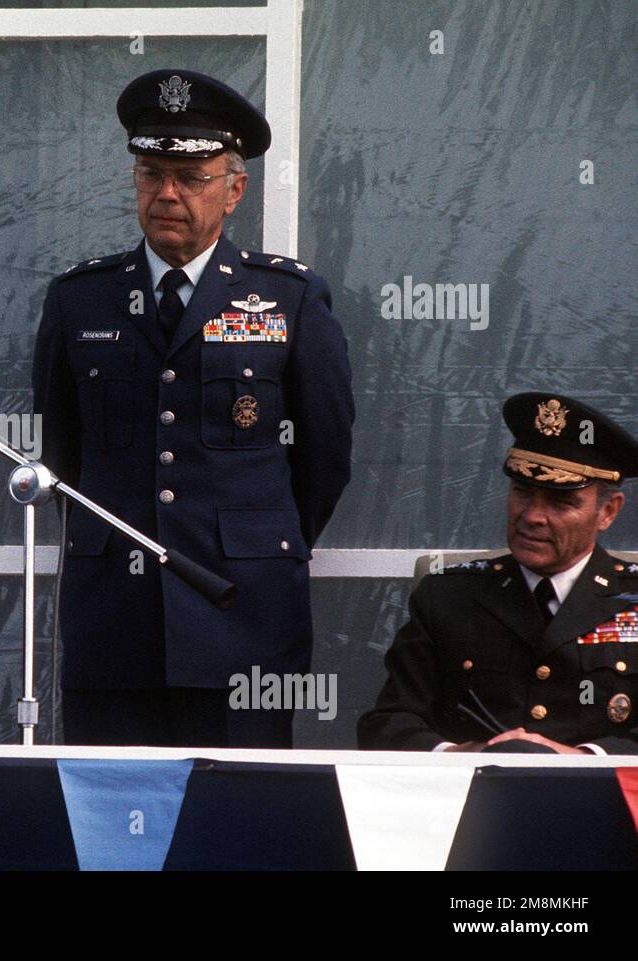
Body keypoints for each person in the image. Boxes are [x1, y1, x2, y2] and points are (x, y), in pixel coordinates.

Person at [32, 70, 354, 747]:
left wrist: (258, 545)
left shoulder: (288, 299)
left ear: (234, 189)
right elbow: (63, 452)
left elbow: (324, 458)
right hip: (113, 620)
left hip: (244, 616)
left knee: (242, 827)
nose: (168, 193)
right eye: (152, 173)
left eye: (191, 176)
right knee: (112, 827)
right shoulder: (79, 300)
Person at [359, 392, 638, 754]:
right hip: (470, 799)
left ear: (608, 512)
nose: (533, 516)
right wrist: (462, 755)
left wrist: (581, 760)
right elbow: (387, 723)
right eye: (523, 492)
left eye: (559, 502)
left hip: (602, 803)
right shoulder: (448, 596)